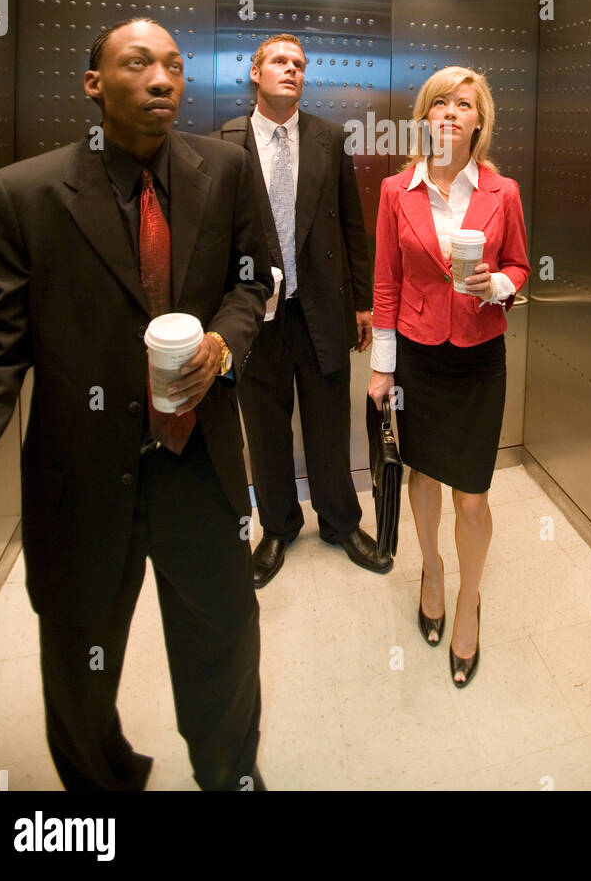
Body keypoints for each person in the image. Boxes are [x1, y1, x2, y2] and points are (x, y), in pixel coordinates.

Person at [0, 18, 274, 791]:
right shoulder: (22, 195)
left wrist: (224, 344)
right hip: (78, 481)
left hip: (197, 469)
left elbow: (253, 281)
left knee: (226, 646)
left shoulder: (226, 169)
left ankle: (230, 776)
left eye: (174, 65)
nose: (162, 79)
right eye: (137, 63)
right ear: (94, 83)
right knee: (78, 674)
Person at [367, 67, 530, 686]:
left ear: (479, 122)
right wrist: (383, 368)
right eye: (440, 103)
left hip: (479, 355)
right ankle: (431, 569)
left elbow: (519, 263)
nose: (451, 114)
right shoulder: (394, 192)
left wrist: (501, 284)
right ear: (424, 118)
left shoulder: (503, 192)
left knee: (474, 493)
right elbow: (386, 280)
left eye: (465, 105)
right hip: (418, 355)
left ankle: (469, 602)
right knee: (423, 472)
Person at [214, 34, 391, 586]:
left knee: (327, 423)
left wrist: (362, 302)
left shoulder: (329, 139)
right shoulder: (225, 143)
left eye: (299, 64)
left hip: (322, 306)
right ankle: (278, 527)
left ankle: (341, 523)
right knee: (264, 427)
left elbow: (352, 224)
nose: (291, 70)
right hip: (254, 317)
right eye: (279, 61)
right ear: (255, 71)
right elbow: (213, 235)